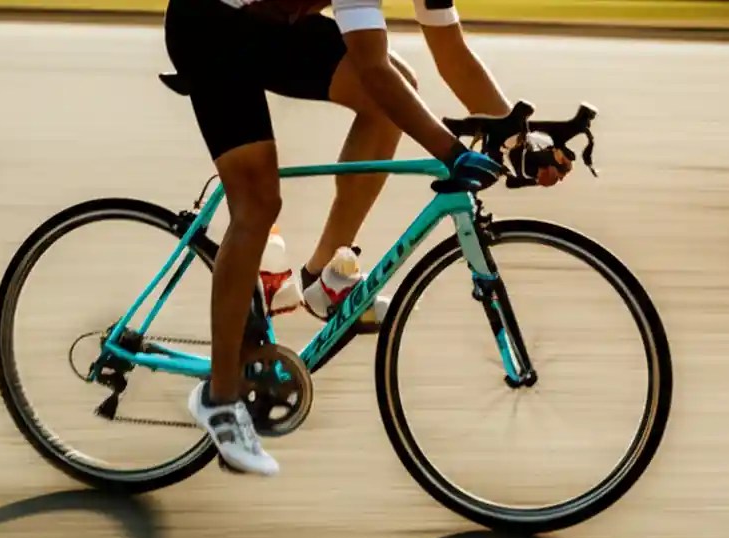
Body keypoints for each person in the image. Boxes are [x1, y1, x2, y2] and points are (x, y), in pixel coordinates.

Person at [165, 0, 572, 475]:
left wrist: (519, 140)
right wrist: (451, 152)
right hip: (211, 24)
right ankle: (220, 397)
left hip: (269, 23)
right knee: (257, 203)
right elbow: (373, 67)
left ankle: (324, 280)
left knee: (394, 98)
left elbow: (451, 51)